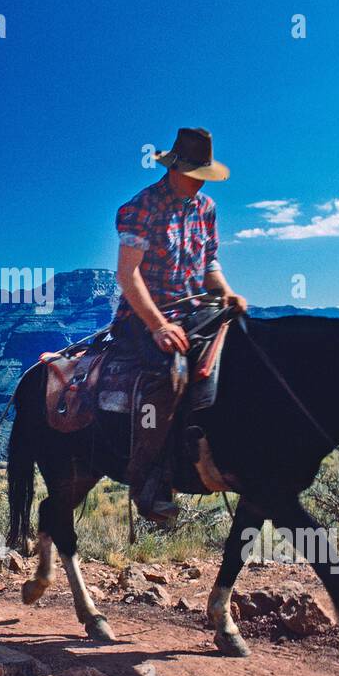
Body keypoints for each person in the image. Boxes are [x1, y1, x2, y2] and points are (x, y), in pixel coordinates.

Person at [114, 127, 247, 527]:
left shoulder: (206, 209)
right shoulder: (141, 207)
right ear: (175, 168)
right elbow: (128, 275)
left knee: (244, 349)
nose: (199, 183)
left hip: (195, 310)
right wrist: (157, 325)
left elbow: (209, 266)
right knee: (169, 374)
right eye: (195, 173)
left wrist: (227, 293)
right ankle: (148, 482)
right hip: (144, 315)